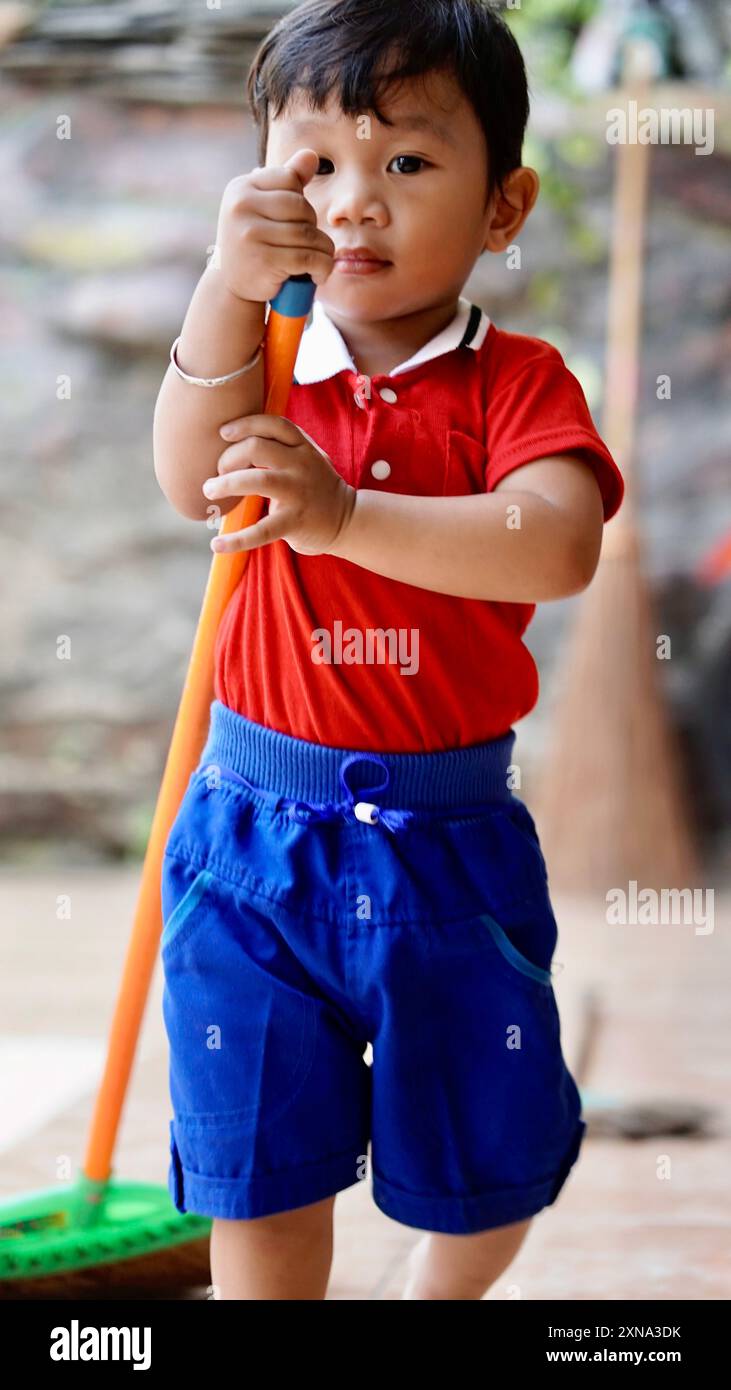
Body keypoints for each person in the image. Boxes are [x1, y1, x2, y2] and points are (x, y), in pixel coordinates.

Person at [152, 0, 624, 1301]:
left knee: (490, 1152)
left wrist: (348, 515)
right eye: (315, 164)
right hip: (252, 835)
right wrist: (218, 293)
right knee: (262, 1164)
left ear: (504, 207)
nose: (355, 201)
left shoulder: (516, 381)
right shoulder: (264, 359)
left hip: (448, 843)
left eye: (407, 162)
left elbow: (556, 542)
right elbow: (189, 475)